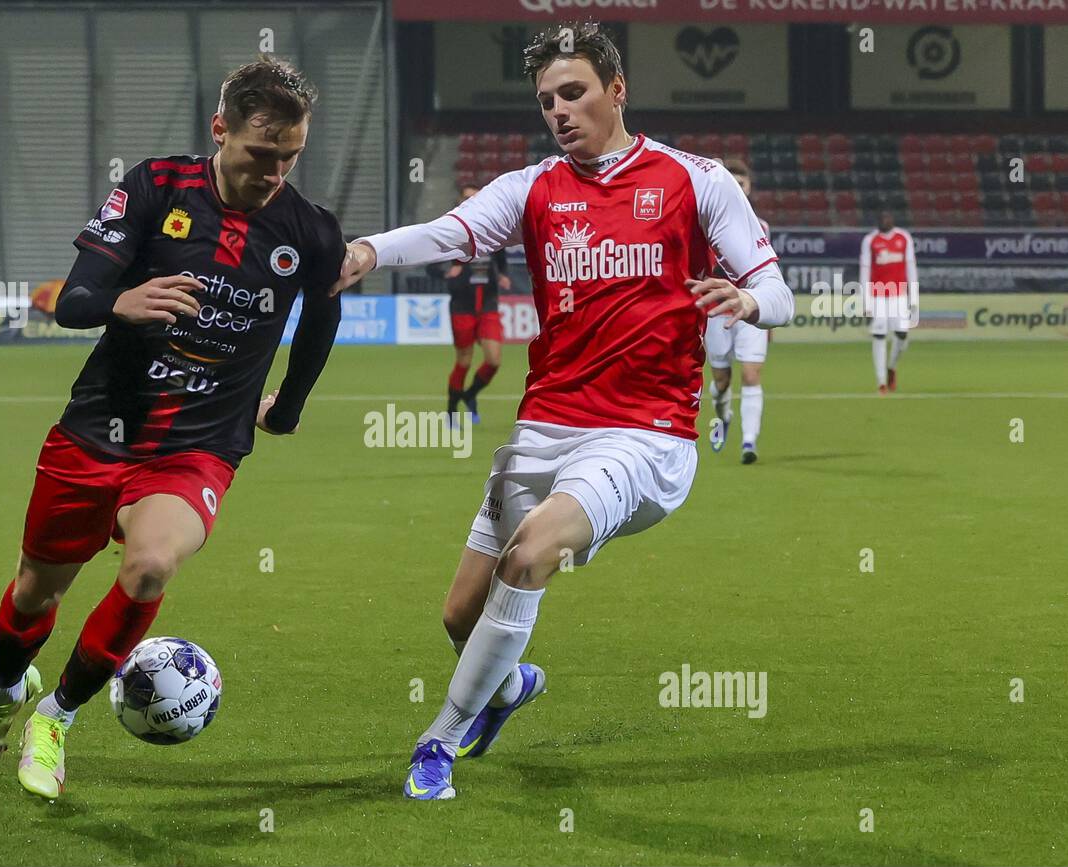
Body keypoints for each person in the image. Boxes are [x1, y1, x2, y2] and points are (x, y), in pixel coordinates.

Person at [332, 23, 793, 800]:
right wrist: (367, 251)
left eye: (573, 93)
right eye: (546, 99)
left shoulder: (696, 180)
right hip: (543, 425)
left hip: (642, 437)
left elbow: (779, 292)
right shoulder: (536, 188)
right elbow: (449, 231)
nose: (559, 110)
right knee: (459, 618)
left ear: (617, 91)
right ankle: (507, 690)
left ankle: (436, 745)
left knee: (530, 553)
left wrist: (746, 298)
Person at [0, 56, 345, 801]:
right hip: (98, 428)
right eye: (261, 153)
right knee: (35, 594)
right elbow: (72, 300)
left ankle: (56, 714)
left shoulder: (310, 231)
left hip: (198, 447)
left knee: (151, 565)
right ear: (220, 128)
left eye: (289, 156)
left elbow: (321, 326)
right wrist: (121, 301)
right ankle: (4, 693)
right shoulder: (156, 187)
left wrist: (287, 409)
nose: (273, 172)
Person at [705, 157, 771, 464]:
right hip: (716, 312)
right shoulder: (705, 221)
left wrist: (767, 315)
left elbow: (767, 276)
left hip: (749, 311)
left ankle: (749, 442)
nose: (739, 187)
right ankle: (723, 415)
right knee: (721, 382)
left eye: (743, 182)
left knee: (750, 373)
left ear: (749, 187)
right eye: (733, 181)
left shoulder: (761, 227)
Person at [445, 185, 512, 424]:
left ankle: (470, 395)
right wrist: (447, 270)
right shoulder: (449, 229)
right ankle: (452, 410)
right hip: (462, 305)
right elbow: (429, 258)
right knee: (464, 360)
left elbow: (501, 254)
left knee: (493, 360)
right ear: (459, 202)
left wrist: (502, 273)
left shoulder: (492, 228)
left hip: (488, 303)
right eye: (467, 198)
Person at [860, 210, 918, 394]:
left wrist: (914, 297)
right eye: (882, 218)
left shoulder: (903, 237)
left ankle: (891, 366)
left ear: (893, 219)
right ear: (878, 220)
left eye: (888, 217)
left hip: (899, 294)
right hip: (877, 295)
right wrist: (865, 301)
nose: (885, 220)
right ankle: (881, 382)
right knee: (879, 335)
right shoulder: (870, 240)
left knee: (902, 334)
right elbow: (865, 270)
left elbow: (911, 266)